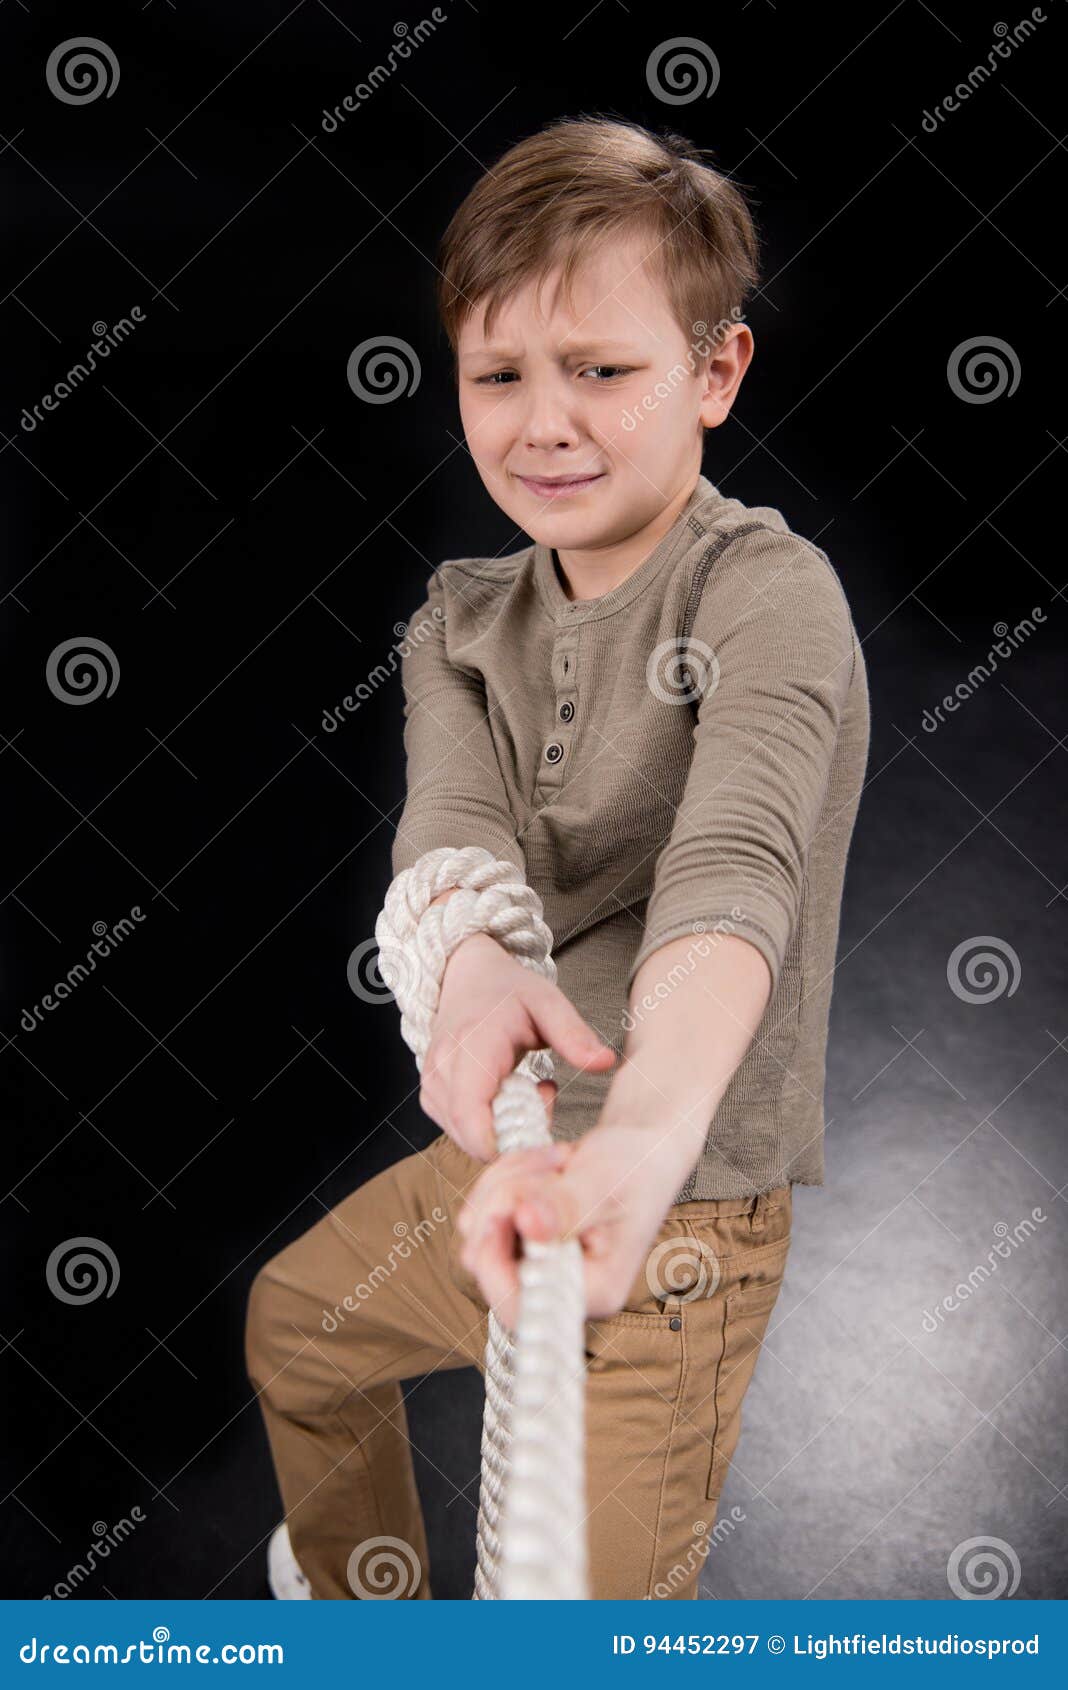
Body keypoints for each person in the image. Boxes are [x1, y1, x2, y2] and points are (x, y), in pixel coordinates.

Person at [245, 114, 870, 1601]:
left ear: (714, 374)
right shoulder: (457, 624)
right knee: (299, 1325)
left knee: (580, 1631)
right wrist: (467, 978)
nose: (546, 423)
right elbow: (453, 835)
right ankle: (362, 1602)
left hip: (675, 1216)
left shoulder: (771, 594)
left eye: (602, 369)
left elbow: (736, 867)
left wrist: (643, 1145)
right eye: (500, 373)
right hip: (509, 1165)